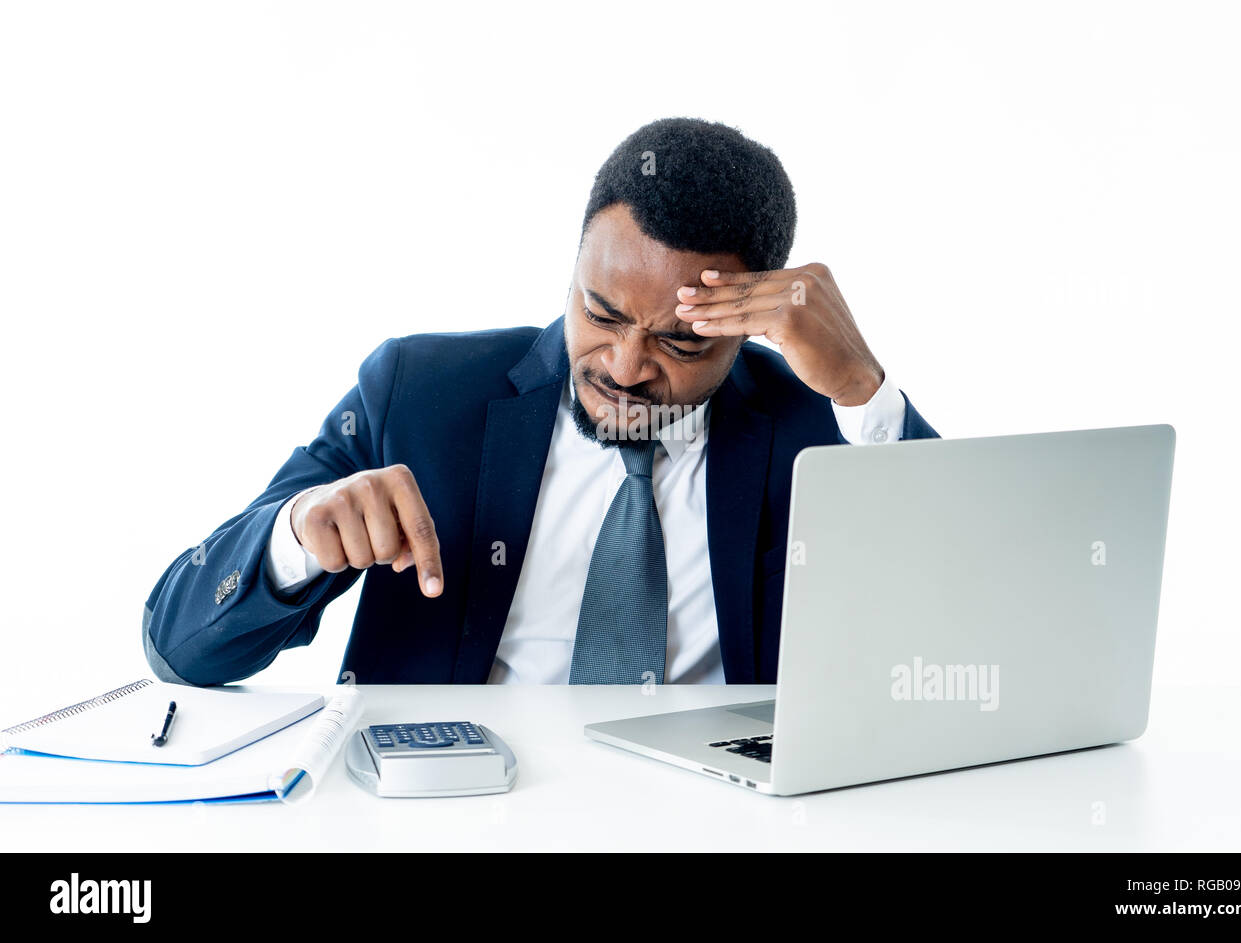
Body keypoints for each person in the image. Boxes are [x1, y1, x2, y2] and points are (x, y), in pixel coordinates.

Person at [143, 117, 938, 687]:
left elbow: (968, 621)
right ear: (574, 266)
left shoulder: (814, 424)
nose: (626, 366)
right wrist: (296, 539)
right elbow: (179, 645)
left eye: (682, 341)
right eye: (601, 312)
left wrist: (866, 392)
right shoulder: (420, 396)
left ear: (751, 326)